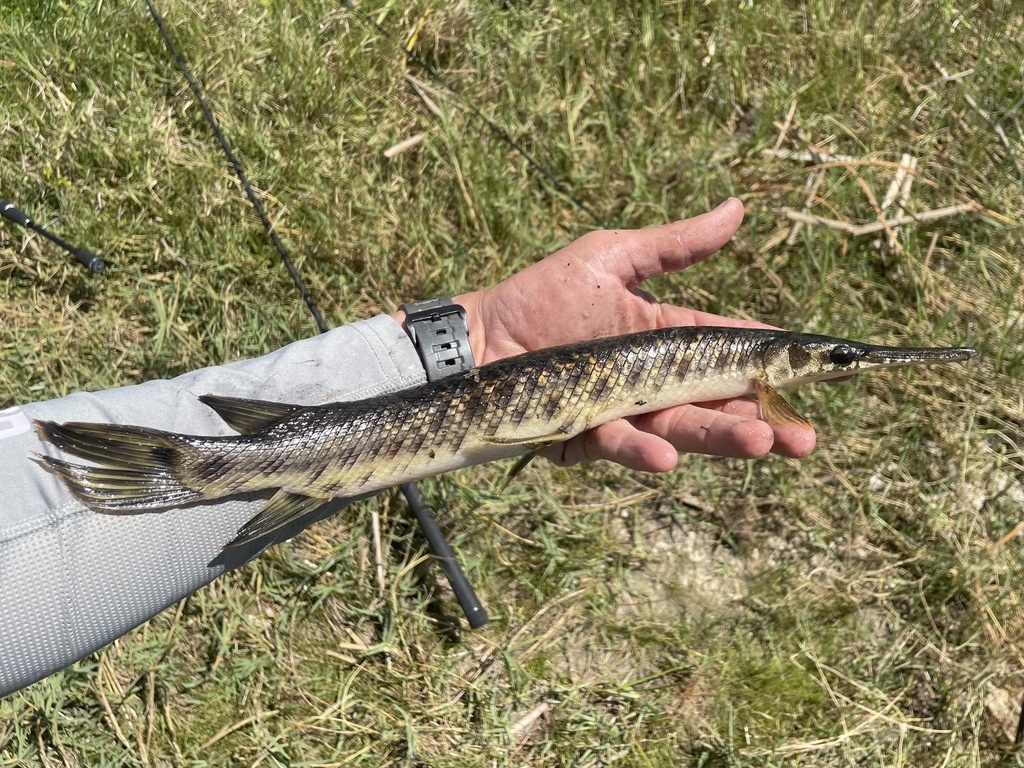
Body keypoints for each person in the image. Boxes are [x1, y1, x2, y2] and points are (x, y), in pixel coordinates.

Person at [0, 198, 814, 697]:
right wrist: (477, 337)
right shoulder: (758, 362)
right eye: (827, 359)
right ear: (778, 364)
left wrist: (469, 336)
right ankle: (190, 468)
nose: (834, 365)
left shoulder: (750, 367)